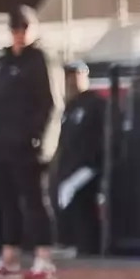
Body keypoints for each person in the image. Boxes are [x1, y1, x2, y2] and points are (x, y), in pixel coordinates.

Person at [0, 5, 63, 279]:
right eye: (15, 28)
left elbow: (51, 104)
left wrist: (40, 141)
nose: (19, 34)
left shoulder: (40, 59)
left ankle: (44, 259)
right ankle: (9, 259)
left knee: (35, 201)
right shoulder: (1, 62)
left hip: (29, 148)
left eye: (24, 28)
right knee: (7, 202)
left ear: (33, 29)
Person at [51, 61, 105, 256]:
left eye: (76, 75)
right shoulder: (69, 107)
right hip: (69, 166)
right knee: (64, 196)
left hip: (88, 166)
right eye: (68, 76)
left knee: (73, 196)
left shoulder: (95, 103)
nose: (71, 80)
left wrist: (96, 161)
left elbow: (103, 137)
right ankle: (72, 243)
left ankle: (85, 247)